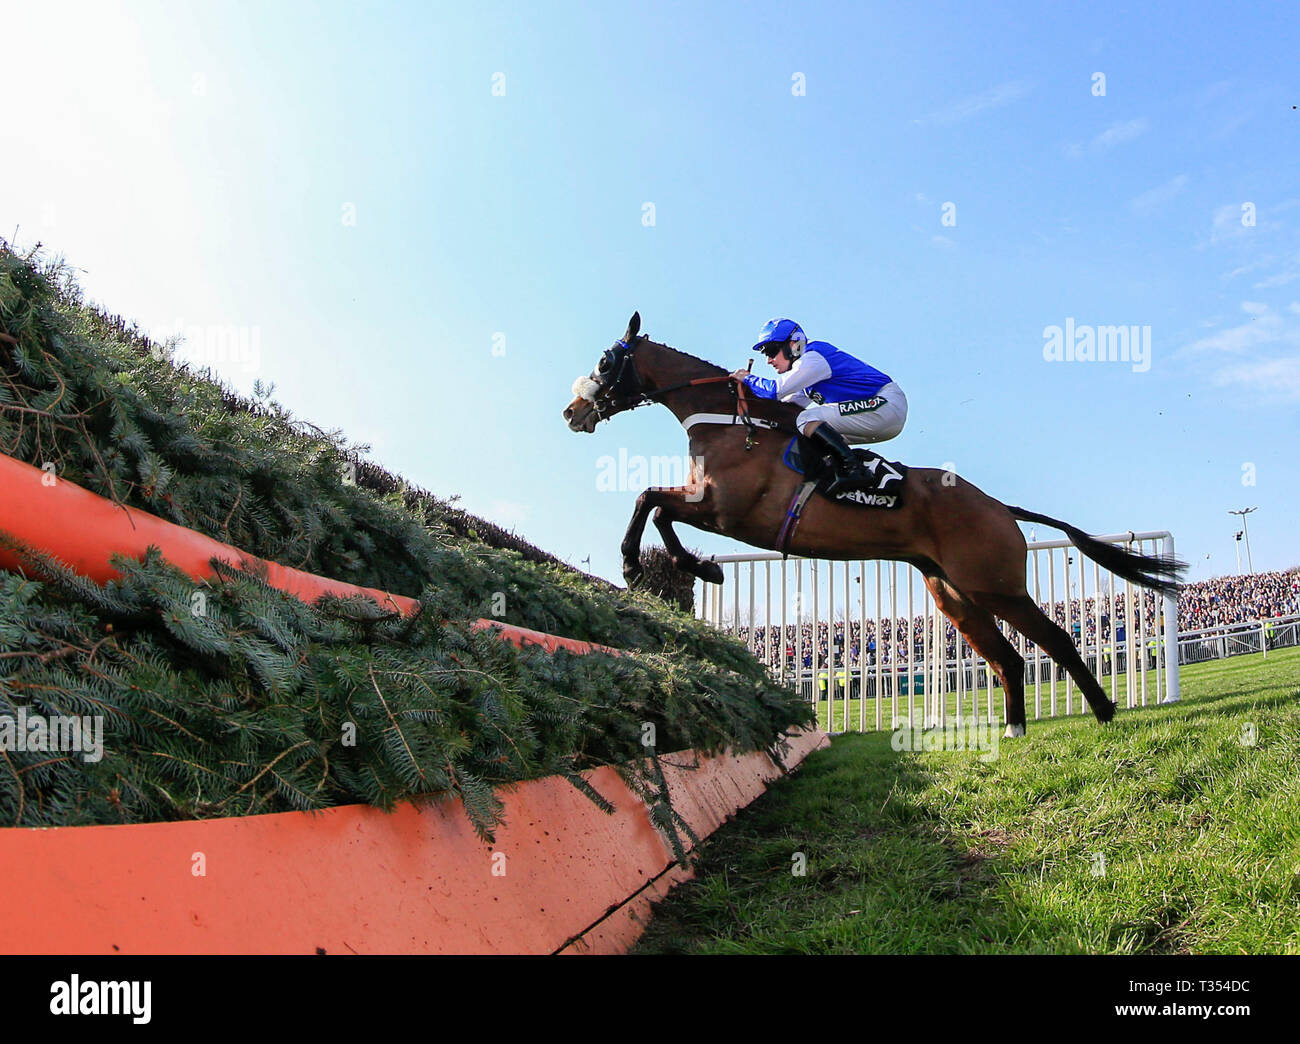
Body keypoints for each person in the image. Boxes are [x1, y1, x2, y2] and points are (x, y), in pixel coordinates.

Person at [730, 318, 907, 495]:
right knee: (806, 435)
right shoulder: (806, 375)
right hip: (880, 414)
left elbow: (775, 391)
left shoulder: (813, 357)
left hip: (885, 403)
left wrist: (747, 379)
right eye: (765, 354)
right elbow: (786, 407)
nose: (769, 360)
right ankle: (853, 472)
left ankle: (854, 470)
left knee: (806, 419)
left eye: (771, 351)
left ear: (794, 345)